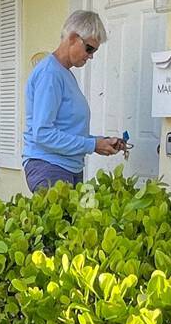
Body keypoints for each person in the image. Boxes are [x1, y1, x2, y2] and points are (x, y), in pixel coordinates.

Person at [22, 10, 127, 193]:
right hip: (50, 168)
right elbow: (43, 133)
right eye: (89, 48)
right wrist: (92, 145)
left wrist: (99, 142)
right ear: (72, 38)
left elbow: (66, 129)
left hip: (67, 167)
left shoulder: (64, 74)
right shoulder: (50, 74)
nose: (91, 56)